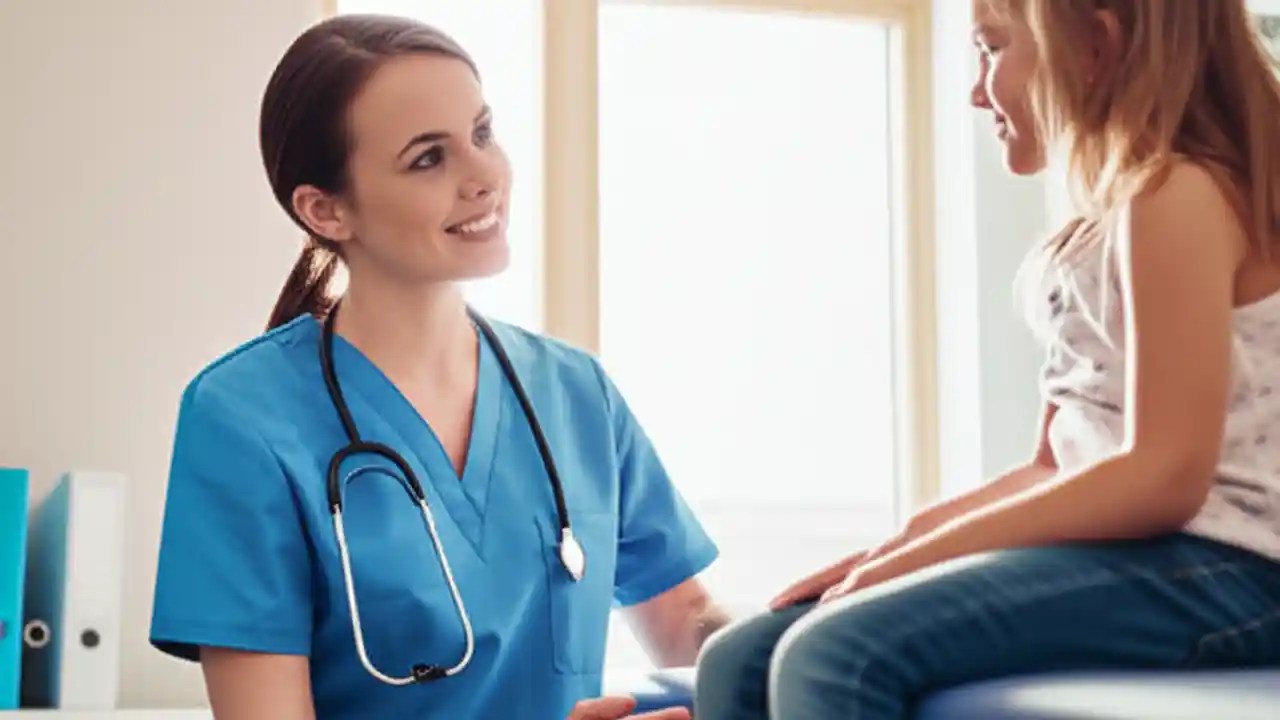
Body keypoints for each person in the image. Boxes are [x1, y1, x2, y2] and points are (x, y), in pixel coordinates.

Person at [693, 1, 1280, 718]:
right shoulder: (1104, 221)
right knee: (738, 658)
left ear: (1094, 45)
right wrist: (903, 544)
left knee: (835, 654)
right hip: (1159, 558)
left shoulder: (1178, 195)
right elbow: (1052, 465)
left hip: (1239, 570)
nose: (976, 90)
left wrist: (912, 565)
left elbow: (1163, 475)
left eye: (991, 49)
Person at [147, 13, 727, 720]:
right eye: (429, 158)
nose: (484, 176)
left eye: (482, 134)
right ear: (325, 210)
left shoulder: (578, 396)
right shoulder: (243, 418)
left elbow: (688, 624)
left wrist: (827, 628)